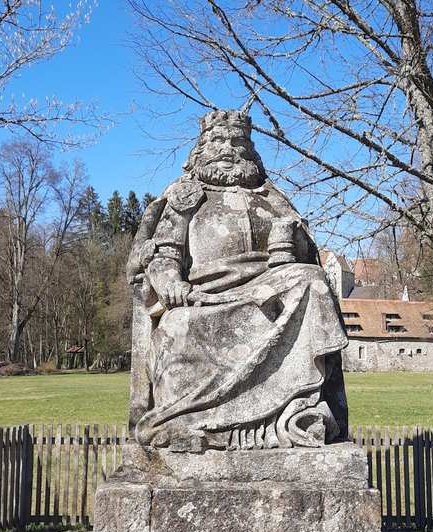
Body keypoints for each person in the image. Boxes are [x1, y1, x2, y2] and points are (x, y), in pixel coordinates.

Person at [126, 109, 349, 451]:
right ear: (202, 147)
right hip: (205, 297)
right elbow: (164, 252)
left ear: (250, 148)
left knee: (313, 280)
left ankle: (298, 412)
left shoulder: (271, 198)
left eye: (238, 140)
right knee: (178, 328)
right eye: (218, 140)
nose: (229, 147)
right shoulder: (185, 196)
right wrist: (168, 276)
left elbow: (304, 256)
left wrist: (290, 234)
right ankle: (189, 419)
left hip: (269, 289)